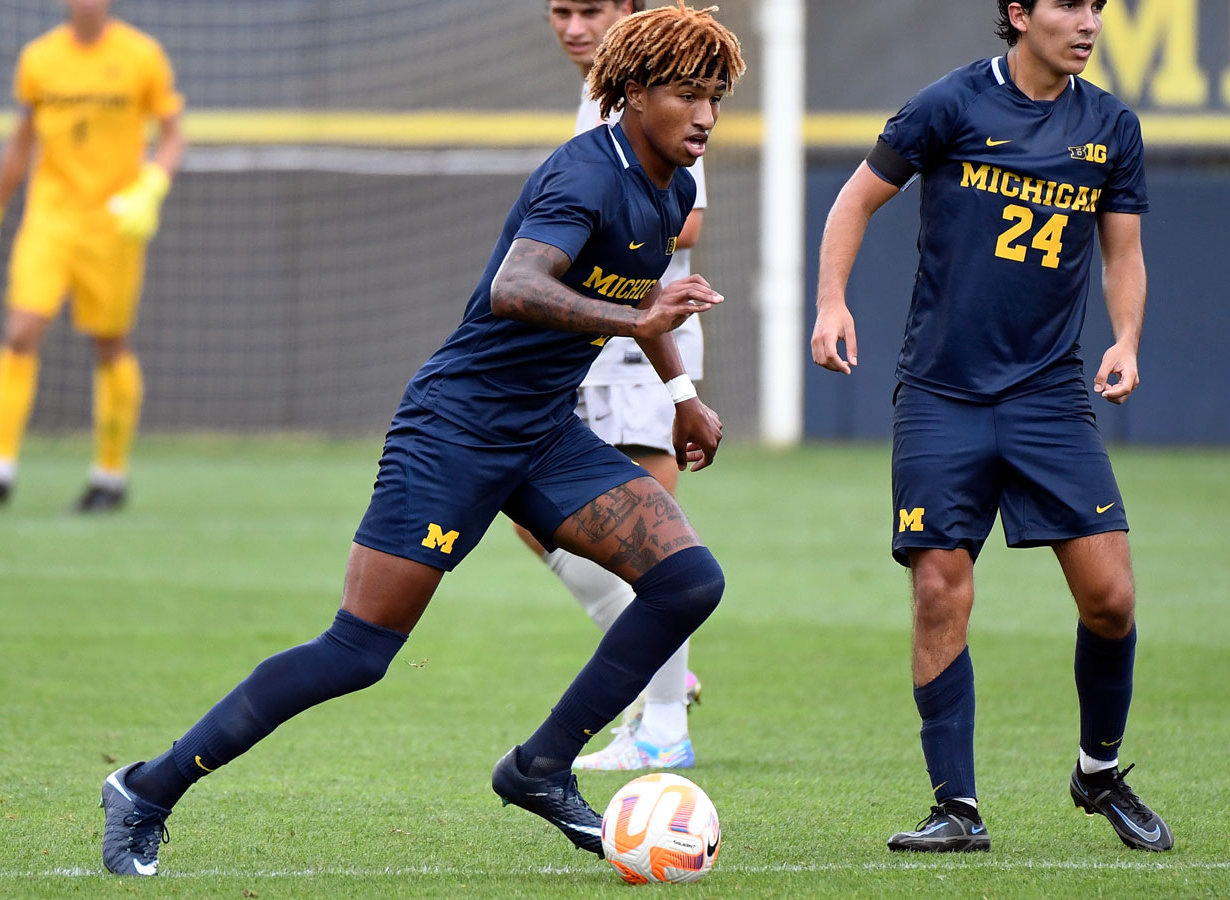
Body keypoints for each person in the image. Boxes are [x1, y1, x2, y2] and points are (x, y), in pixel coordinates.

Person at [97, 3, 744, 875]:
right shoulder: (583, 176)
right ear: (630, 92)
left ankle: (541, 767)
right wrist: (637, 316)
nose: (704, 115)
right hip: (456, 431)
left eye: (715, 96)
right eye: (685, 94)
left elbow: (643, 294)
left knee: (688, 581)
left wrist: (681, 395)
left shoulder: (672, 184)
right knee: (356, 653)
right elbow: (518, 286)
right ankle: (147, 788)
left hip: (543, 432)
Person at [811, 0, 1170, 854]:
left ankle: (1097, 770)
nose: (1089, 20)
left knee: (1111, 600)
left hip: (1049, 399)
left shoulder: (1112, 127)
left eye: (1099, 7)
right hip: (941, 395)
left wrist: (1124, 340)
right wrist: (830, 302)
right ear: (1018, 13)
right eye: (1071, 5)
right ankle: (957, 808)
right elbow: (854, 202)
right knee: (940, 591)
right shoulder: (948, 104)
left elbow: (1123, 253)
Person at [539, 0, 710, 773]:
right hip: (595, 337)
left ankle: (665, 720)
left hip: (642, 337)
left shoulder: (662, 95)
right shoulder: (594, 99)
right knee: (535, 512)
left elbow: (689, 217)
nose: (576, 26)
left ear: (629, 13)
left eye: (593, 10)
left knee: (651, 538)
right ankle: (656, 667)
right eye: (560, 11)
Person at [0, 0, 186, 514]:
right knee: (20, 333)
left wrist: (152, 185)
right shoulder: (39, 58)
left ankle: (109, 475)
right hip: (50, 219)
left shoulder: (141, 55)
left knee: (110, 344)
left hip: (113, 225)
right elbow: (22, 141)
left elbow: (173, 136)